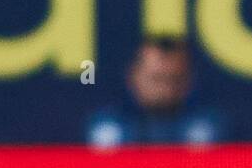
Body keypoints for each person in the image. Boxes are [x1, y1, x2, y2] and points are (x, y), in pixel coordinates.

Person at [86, 36, 227, 147]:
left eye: (174, 79)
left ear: (189, 80)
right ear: (134, 76)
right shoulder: (107, 127)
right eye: (156, 79)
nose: (166, 89)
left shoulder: (209, 128)